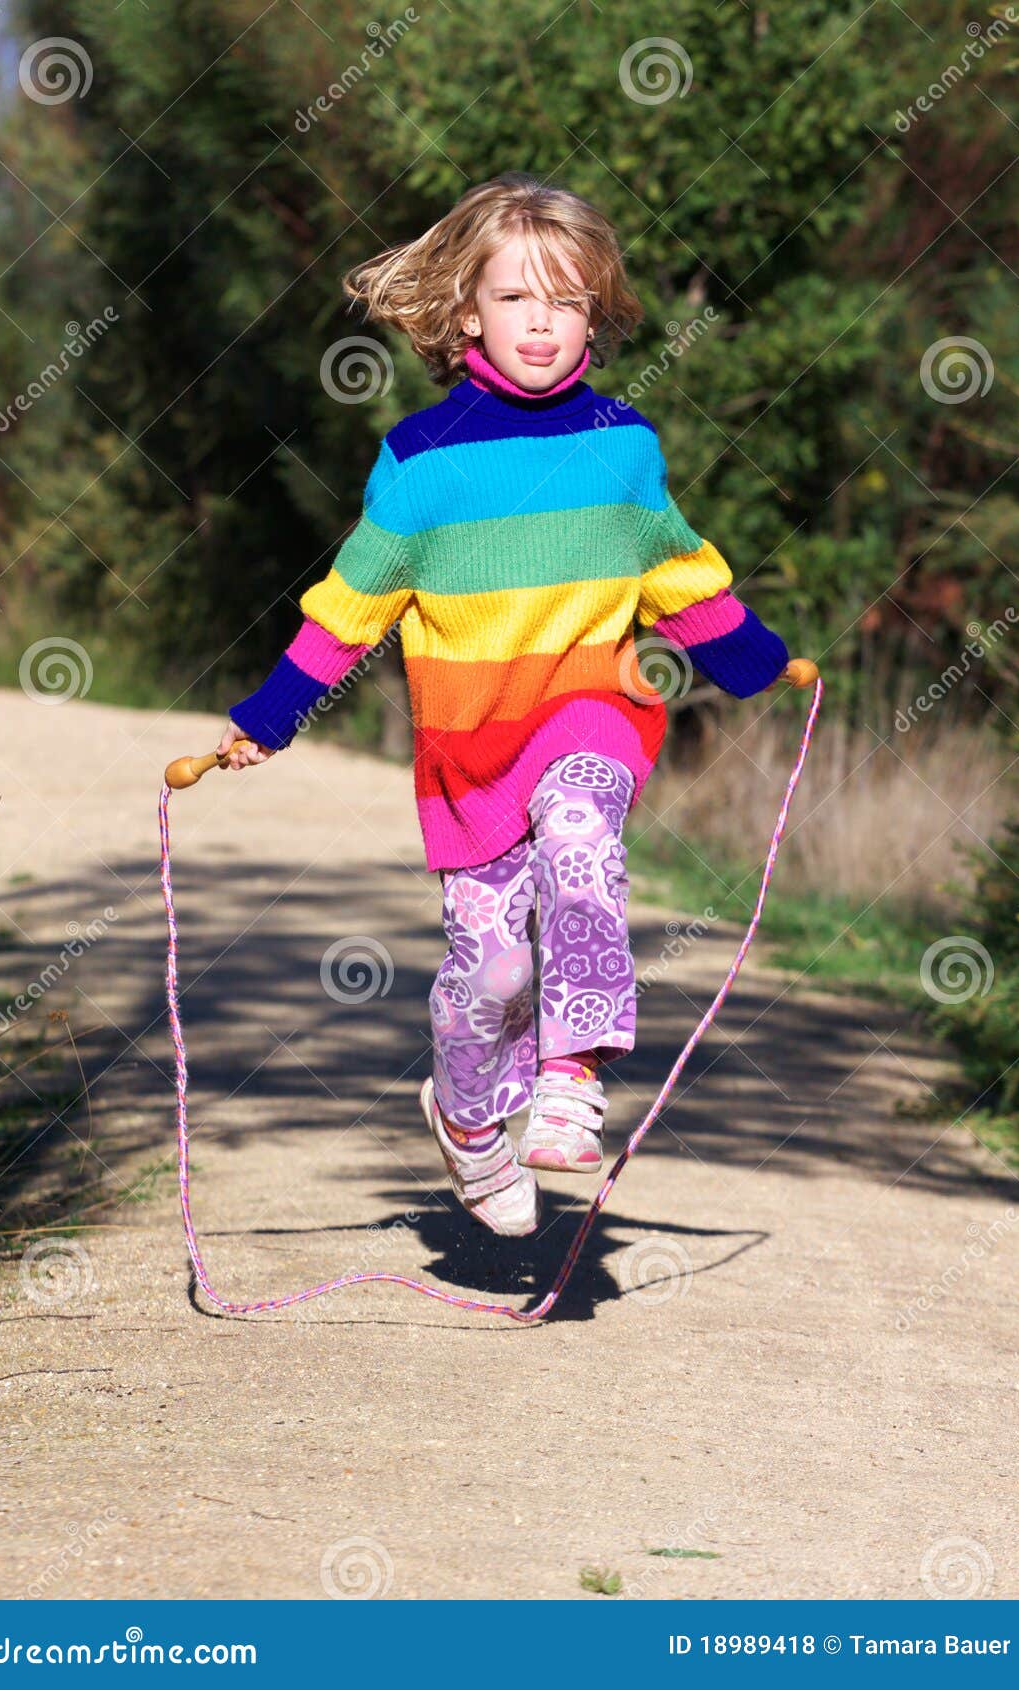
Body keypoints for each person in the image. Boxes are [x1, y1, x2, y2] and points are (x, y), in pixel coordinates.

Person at [218, 172, 798, 1240]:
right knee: (491, 970)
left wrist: (760, 662)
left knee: (582, 835)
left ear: (595, 314)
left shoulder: (622, 446)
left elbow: (673, 572)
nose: (541, 323)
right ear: (466, 312)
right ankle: (467, 1118)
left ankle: (574, 1070)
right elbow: (350, 607)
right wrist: (272, 711)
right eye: (518, 298)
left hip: (589, 712)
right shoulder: (421, 462)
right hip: (468, 752)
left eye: (566, 300)